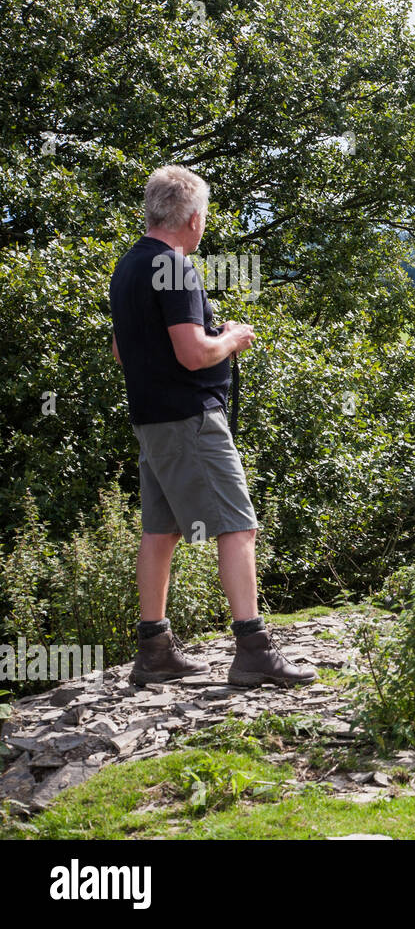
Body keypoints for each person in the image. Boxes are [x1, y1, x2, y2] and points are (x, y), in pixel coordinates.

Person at [108, 165, 315, 688]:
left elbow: (120, 350)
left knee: (160, 530)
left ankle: (154, 648)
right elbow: (194, 353)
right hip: (189, 420)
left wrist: (199, 340)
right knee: (238, 525)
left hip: (152, 421)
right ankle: (253, 649)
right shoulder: (176, 268)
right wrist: (231, 338)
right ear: (193, 217)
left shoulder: (129, 267)